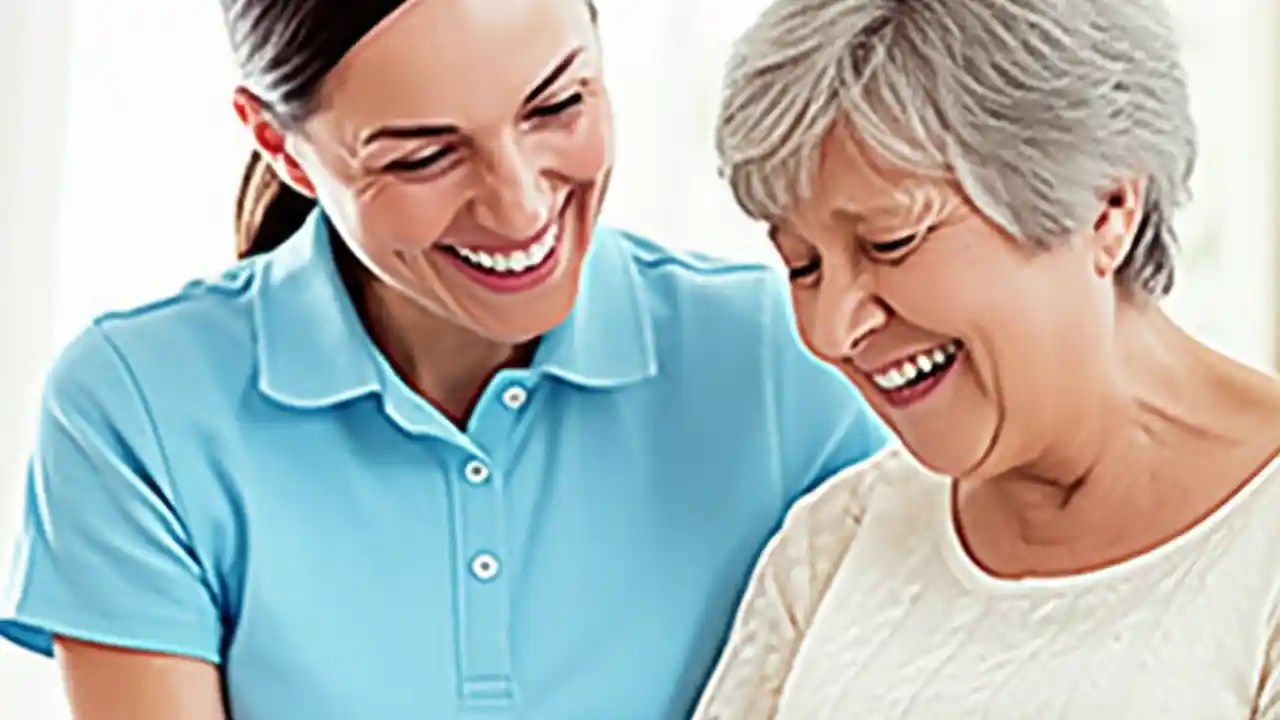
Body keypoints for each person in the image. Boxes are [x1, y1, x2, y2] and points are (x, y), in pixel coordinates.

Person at [0, 1, 889, 718]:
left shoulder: (790, 361)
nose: (519, 208)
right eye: (425, 158)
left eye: (557, 106)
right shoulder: (138, 408)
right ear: (281, 148)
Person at [694, 0, 1280, 717]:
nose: (832, 329)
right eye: (803, 265)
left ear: (1106, 209)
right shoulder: (838, 541)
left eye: (890, 243)